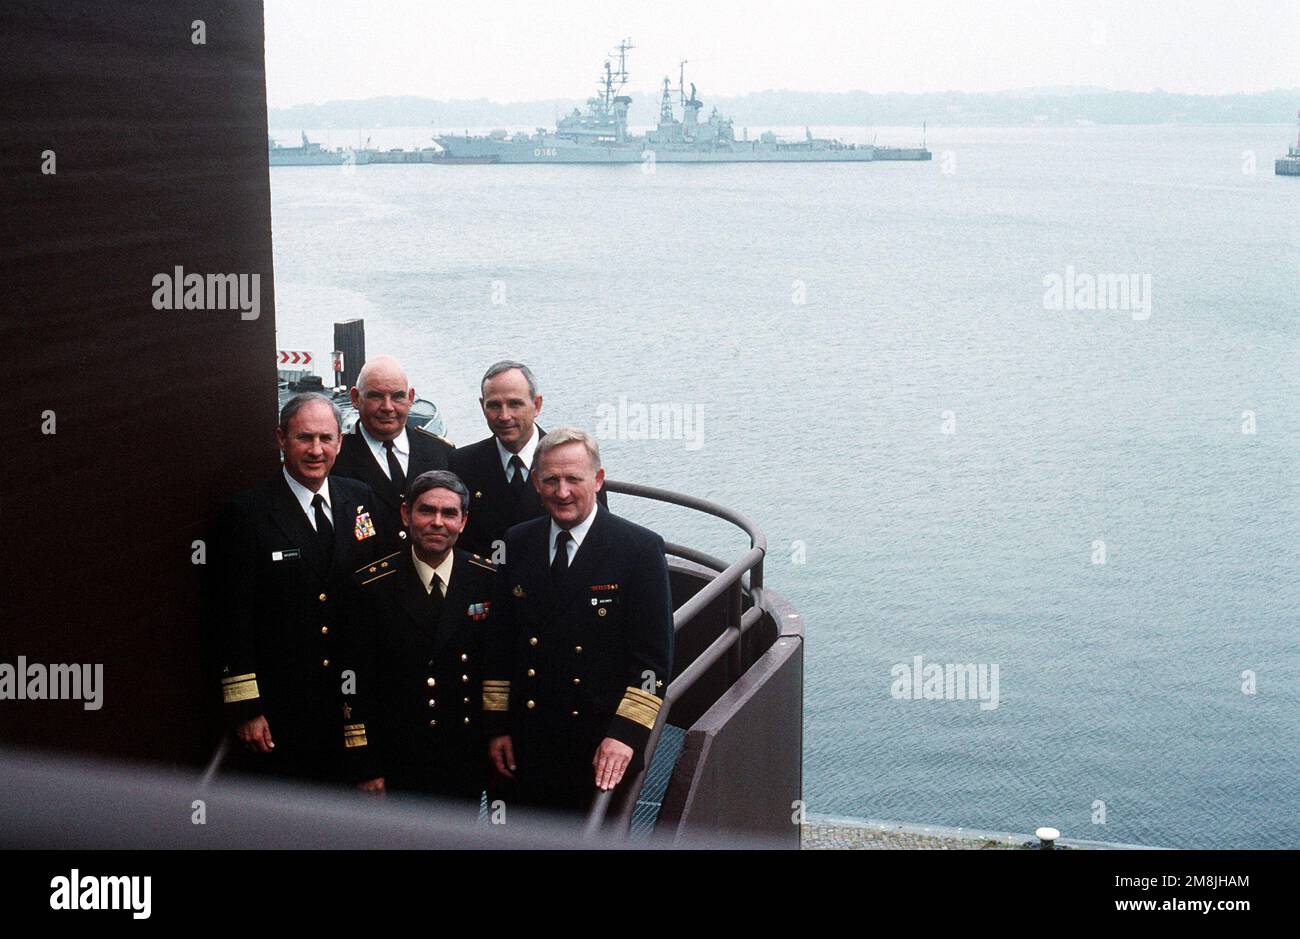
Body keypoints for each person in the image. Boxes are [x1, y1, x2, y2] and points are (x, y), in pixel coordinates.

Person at [483, 426, 673, 815]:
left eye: (574, 479)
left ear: (598, 480)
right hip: (525, 744)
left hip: (598, 748)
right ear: (536, 482)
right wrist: (497, 727)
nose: (562, 491)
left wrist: (625, 735)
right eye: (551, 480)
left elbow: (653, 665)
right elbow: (498, 645)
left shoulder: (638, 549)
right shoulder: (516, 542)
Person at [210, 392, 385, 790]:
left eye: (326, 438)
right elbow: (232, 619)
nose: (316, 450)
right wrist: (246, 708)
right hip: (284, 707)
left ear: (340, 443)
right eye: (304, 438)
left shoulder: (359, 500)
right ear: (281, 439)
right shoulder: (248, 514)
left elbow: (375, 594)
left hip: (349, 702)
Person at [348, 470, 496, 805]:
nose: (437, 523)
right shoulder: (371, 587)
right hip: (398, 757)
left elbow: (497, 669)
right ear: (406, 514)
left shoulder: (487, 580)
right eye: (426, 511)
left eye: (449, 514)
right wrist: (365, 763)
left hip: (463, 755)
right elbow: (354, 683)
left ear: (464, 520)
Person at [450, 360, 604, 559]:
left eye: (515, 404)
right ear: (482, 406)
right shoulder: (462, 465)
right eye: (494, 406)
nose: (504, 416)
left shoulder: (576, 461)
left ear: (536, 405)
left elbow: (597, 534)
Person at [332, 355, 454, 553]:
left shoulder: (441, 454)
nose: (387, 407)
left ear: (410, 398)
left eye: (397, 396)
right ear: (355, 398)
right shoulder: (335, 460)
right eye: (376, 396)